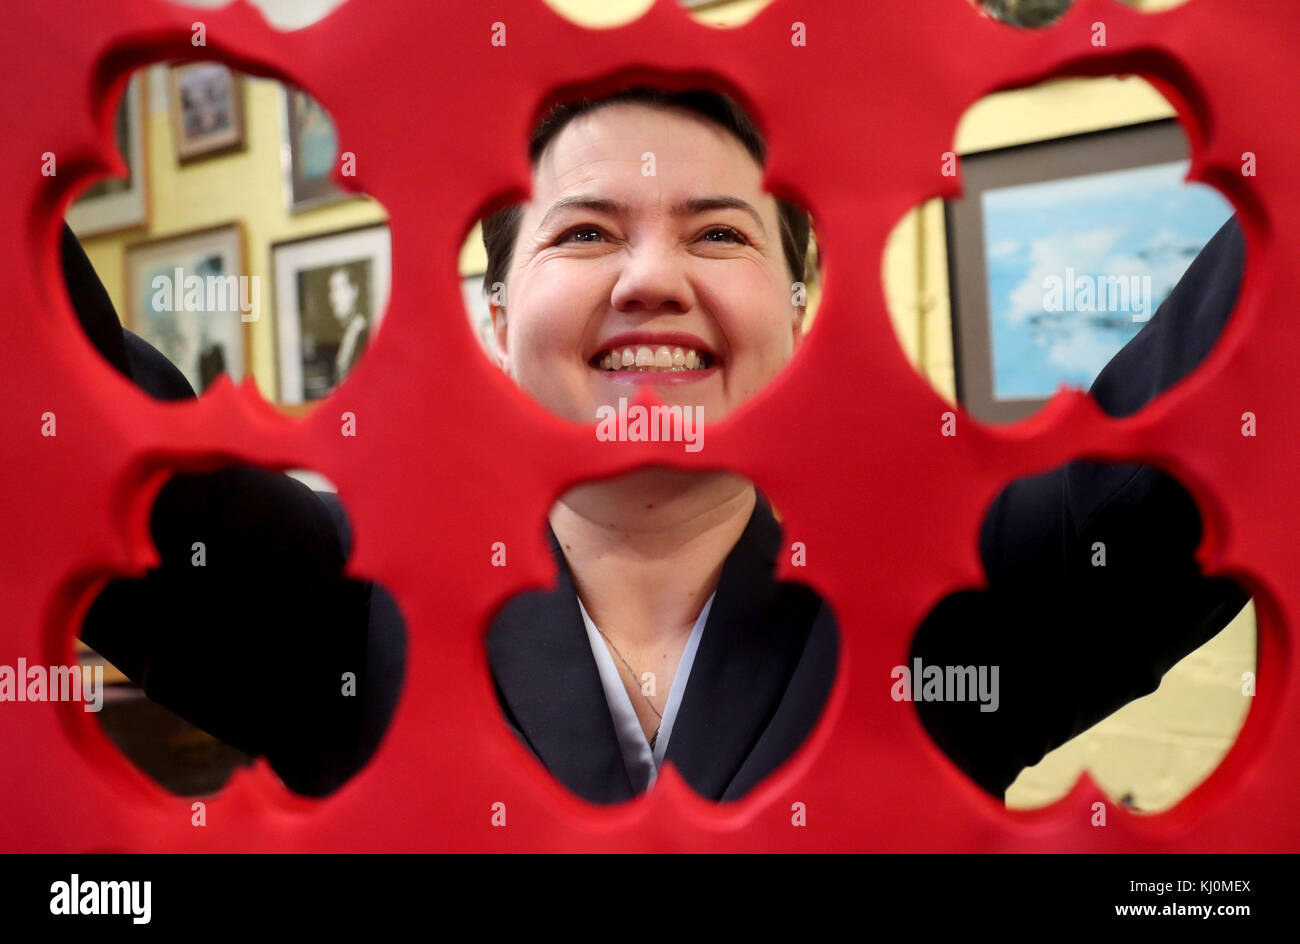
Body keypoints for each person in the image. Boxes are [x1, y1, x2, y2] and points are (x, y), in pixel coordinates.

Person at [72, 85, 1249, 805]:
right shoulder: (340, 607)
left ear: (796, 307)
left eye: (719, 233)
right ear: (494, 316)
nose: (651, 279)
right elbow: (73, 423)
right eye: (585, 231)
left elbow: (1222, 405)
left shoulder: (954, 601)